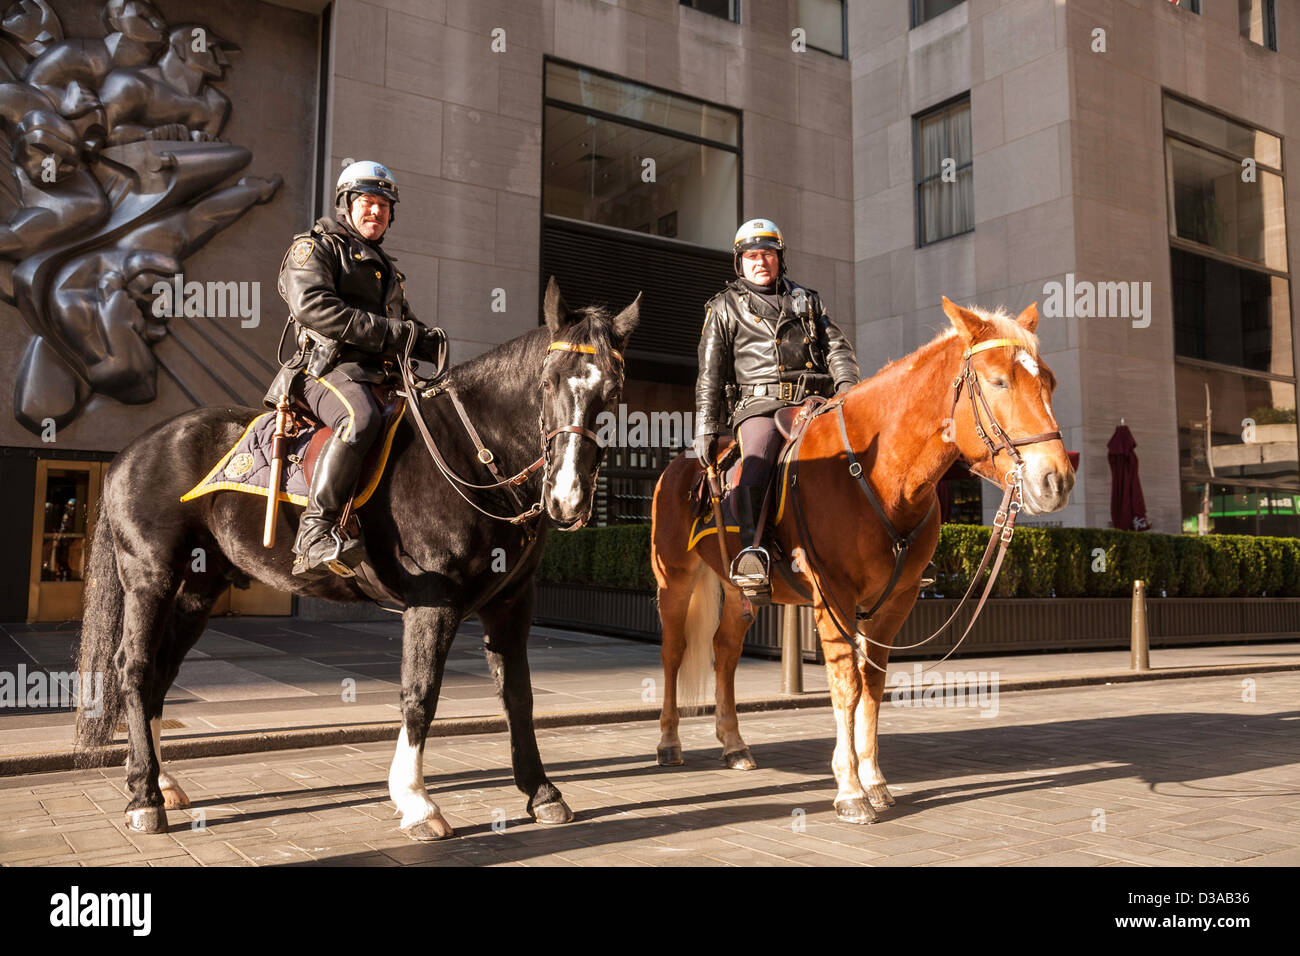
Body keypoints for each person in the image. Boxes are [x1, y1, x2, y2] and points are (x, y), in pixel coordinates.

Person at [266, 160, 441, 578]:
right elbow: (313, 307)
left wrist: (431, 340)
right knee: (359, 418)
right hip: (324, 368)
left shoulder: (388, 269)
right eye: (367, 202)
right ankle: (314, 533)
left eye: (384, 205)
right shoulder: (316, 247)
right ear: (347, 204)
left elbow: (405, 326)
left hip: (381, 375)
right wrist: (393, 335)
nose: (376, 212)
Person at [693, 218, 859, 594]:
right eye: (751, 255)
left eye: (767, 254)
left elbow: (837, 349)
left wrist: (848, 387)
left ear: (779, 258)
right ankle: (753, 552)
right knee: (757, 461)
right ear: (740, 262)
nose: (760, 262)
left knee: (863, 452)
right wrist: (705, 426)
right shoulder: (722, 308)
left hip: (818, 403)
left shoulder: (809, 299)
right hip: (759, 407)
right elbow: (709, 374)